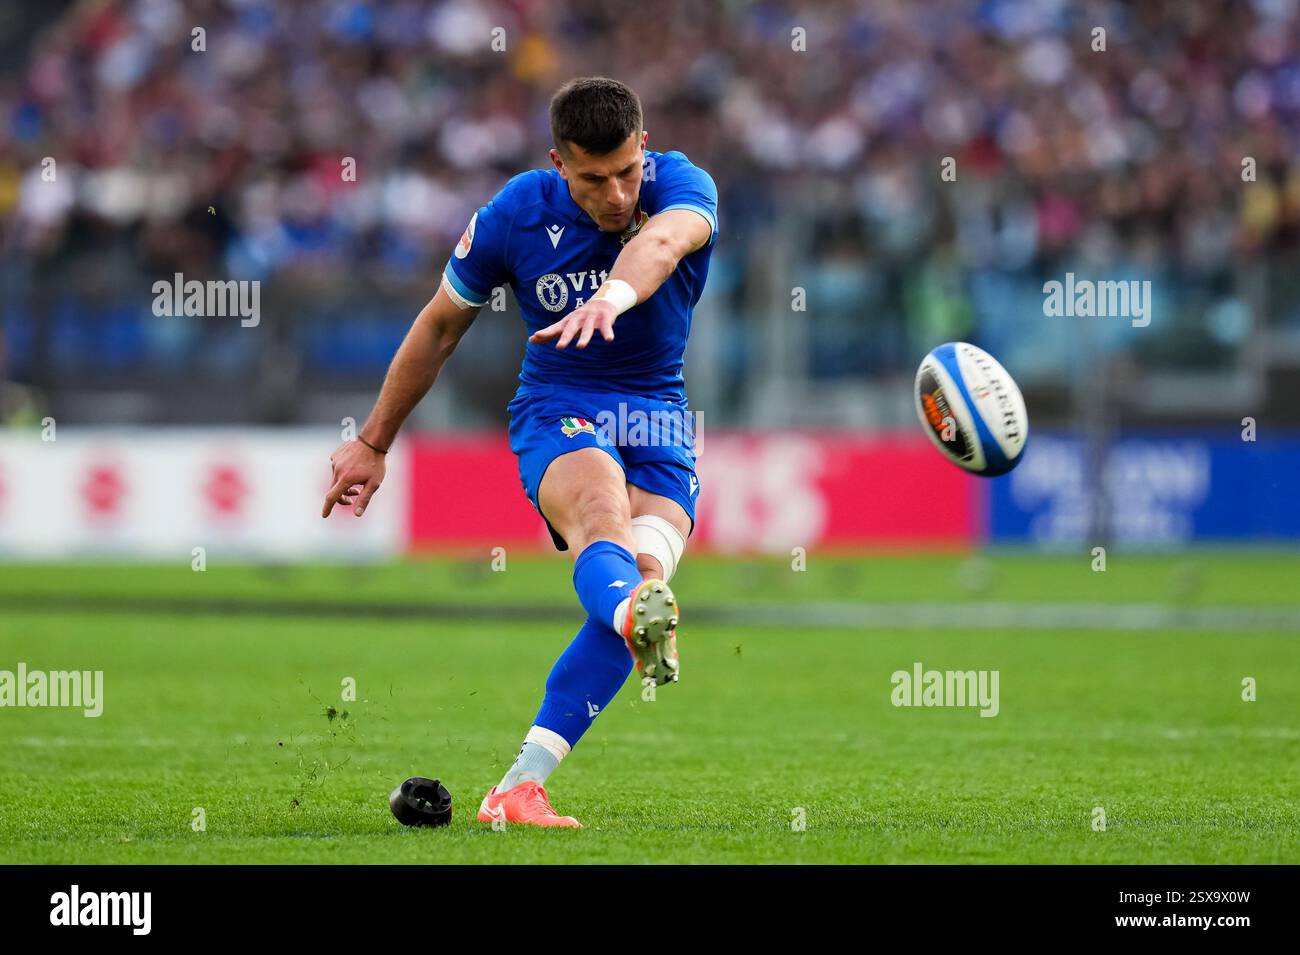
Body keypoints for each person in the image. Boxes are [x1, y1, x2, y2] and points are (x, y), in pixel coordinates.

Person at [322, 76, 718, 828]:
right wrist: (373, 441)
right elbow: (440, 325)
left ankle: (518, 786)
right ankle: (631, 611)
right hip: (560, 405)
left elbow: (664, 242)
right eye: (593, 179)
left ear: (644, 147)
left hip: (660, 419)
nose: (616, 195)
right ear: (558, 163)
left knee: (639, 595)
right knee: (604, 523)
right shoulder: (514, 213)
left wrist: (609, 298)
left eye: (626, 172)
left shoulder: (683, 184)